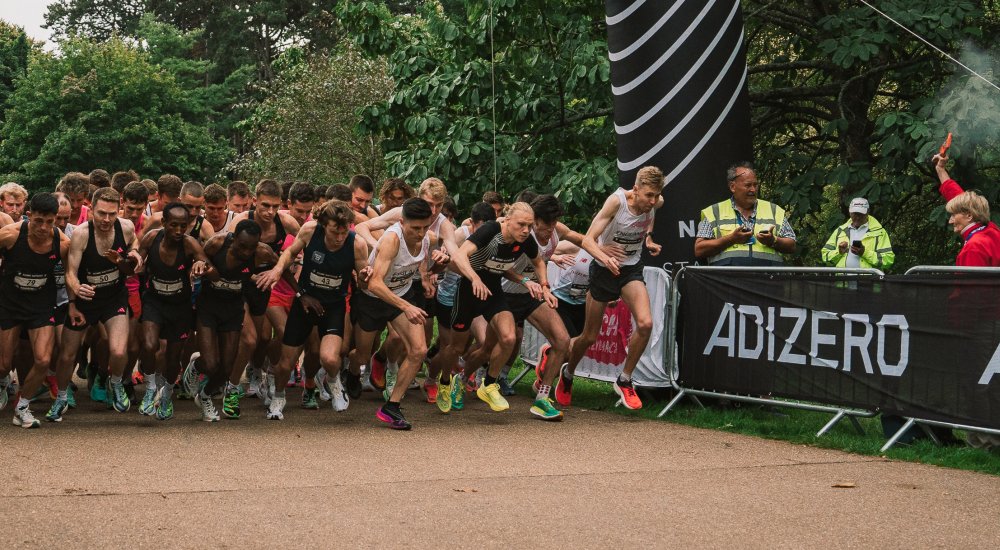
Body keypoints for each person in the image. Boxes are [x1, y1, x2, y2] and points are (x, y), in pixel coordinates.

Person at [558, 166, 665, 410]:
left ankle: (625, 380)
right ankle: (568, 373)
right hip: (604, 271)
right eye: (648, 195)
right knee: (589, 336)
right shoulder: (616, 202)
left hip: (630, 269)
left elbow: (650, 218)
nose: (652, 201)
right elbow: (587, 239)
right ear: (635, 189)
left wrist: (647, 238)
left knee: (646, 323)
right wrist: (604, 257)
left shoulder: (656, 202)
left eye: (656, 195)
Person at [256, 200, 366, 419]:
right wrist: (278, 270)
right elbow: (289, 253)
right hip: (305, 304)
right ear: (324, 225)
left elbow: (363, 281)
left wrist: (364, 276)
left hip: (333, 306)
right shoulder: (309, 231)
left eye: (344, 232)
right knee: (285, 363)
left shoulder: (356, 244)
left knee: (331, 358)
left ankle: (334, 383)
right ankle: (278, 396)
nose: (340, 237)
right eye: (335, 231)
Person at [51, 188, 142, 418]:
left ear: (118, 210)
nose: (106, 219)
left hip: (114, 297)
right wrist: (76, 287)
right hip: (85, 299)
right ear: (91, 209)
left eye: (112, 214)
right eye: (101, 213)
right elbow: (70, 272)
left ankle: (116, 382)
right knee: (67, 354)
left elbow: (134, 244)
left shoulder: (126, 227)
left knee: (119, 351)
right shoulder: (82, 234)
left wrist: (135, 253)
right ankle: (61, 396)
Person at [351, 198, 438, 430]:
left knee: (418, 350)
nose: (420, 233)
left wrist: (432, 273)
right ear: (402, 222)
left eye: (425, 227)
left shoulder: (428, 239)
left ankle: (392, 405)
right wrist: (406, 306)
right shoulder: (391, 240)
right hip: (373, 299)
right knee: (361, 354)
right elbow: (375, 284)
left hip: (401, 294)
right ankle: (352, 371)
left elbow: (418, 264)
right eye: (415, 228)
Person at [0, 193, 70, 428]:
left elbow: (70, 274)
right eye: (39, 221)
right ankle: (3, 383)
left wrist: (77, 296)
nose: (44, 227)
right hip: (9, 304)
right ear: (29, 216)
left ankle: (22, 407)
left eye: (50, 222)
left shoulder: (62, 243)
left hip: (40, 305)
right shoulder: (10, 235)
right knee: (3, 364)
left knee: (42, 360)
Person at [134, 203, 210, 419]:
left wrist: (200, 266)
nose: (178, 231)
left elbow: (204, 261)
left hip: (180, 306)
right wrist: (129, 263)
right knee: (149, 345)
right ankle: (150, 389)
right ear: (164, 223)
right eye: (173, 225)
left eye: (183, 226)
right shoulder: (151, 238)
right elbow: (134, 264)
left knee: (173, 356)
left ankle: (166, 393)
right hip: (154, 301)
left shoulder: (189, 244)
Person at [694, 162, 797, 265]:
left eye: (755, 185)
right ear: (732, 187)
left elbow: (792, 245)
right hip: (727, 280)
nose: (753, 189)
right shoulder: (715, 211)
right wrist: (731, 239)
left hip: (767, 279)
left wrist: (773, 240)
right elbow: (699, 250)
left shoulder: (773, 210)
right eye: (748, 185)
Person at [821, 198, 895, 270]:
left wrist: (864, 253)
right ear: (849, 212)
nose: (857, 217)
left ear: (868, 212)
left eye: (861, 214)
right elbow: (825, 257)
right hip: (843, 281)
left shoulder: (879, 232)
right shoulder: (840, 231)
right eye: (855, 214)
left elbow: (888, 261)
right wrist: (839, 252)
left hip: (868, 281)